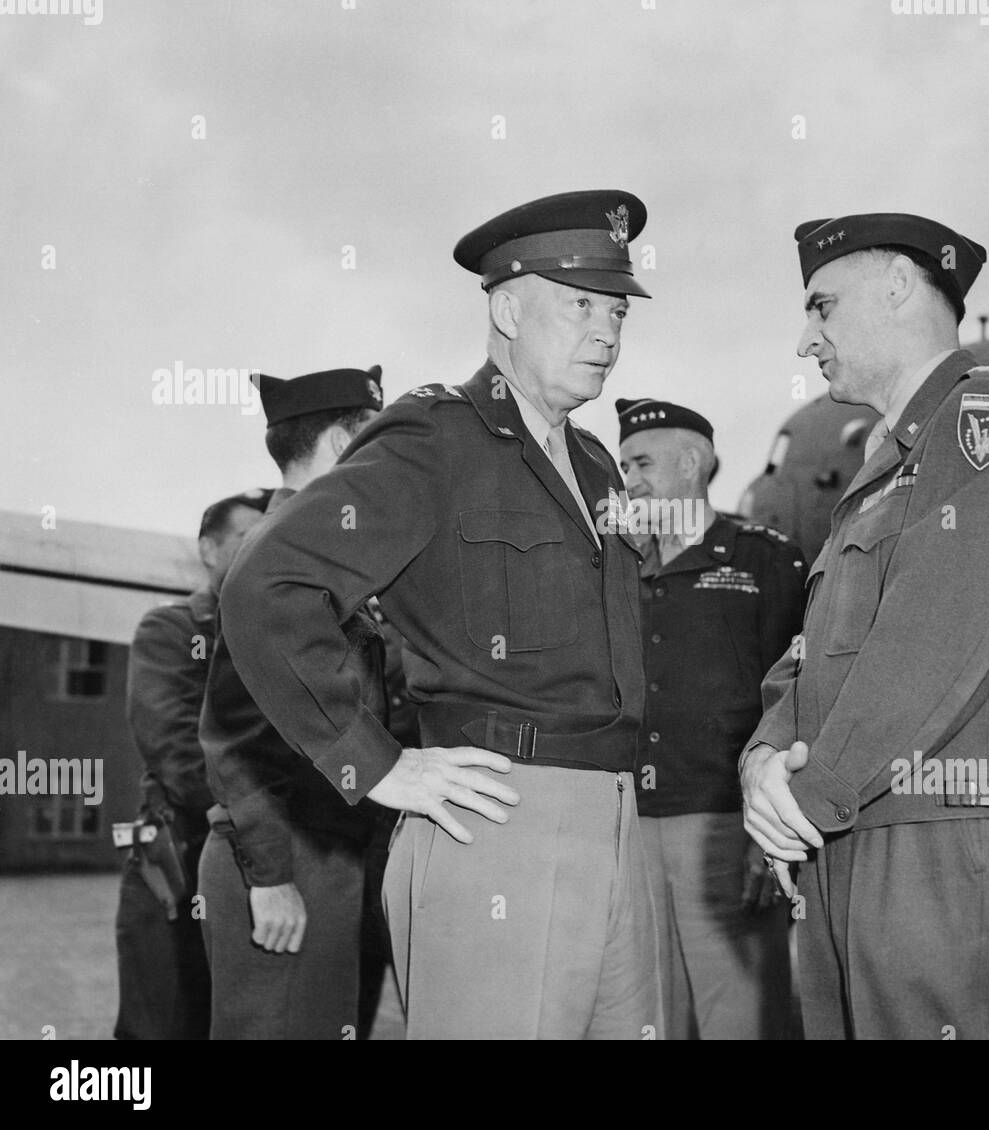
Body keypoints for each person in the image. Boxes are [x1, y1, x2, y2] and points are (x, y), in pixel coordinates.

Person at [217, 190, 661, 1039]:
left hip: (614, 816)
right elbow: (267, 587)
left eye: (616, 311)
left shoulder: (599, 468)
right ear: (505, 307)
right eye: (578, 305)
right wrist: (376, 767)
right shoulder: (434, 439)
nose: (605, 332)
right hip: (496, 820)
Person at [740, 212, 989, 1039]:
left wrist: (803, 801)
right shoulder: (887, 465)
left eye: (821, 306)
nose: (804, 340)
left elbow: (937, 641)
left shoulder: (985, 421)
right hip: (851, 832)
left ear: (897, 286)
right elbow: (813, 653)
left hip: (947, 852)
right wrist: (761, 762)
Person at [198, 366, 385, 1040]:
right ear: (340, 443)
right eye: (379, 439)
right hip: (284, 857)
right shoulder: (284, 554)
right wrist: (271, 875)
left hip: (327, 853)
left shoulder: (327, 549)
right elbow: (236, 732)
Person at [617, 396, 804, 1040]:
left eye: (641, 463)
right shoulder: (616, 566)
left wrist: (766, 833)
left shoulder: (766, 560)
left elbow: (798, 699)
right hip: (631, 826)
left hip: (728, 826)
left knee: (744, 1011)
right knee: (650, 1011)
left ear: (692, 463)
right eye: (623, 466)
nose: (629, 481)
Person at [113, 488, 269, 1040]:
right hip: (177, 864)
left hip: (253, 865)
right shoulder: (172, 631)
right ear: (207, 548)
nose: (263, 548)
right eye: (247, 538)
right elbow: (178, 756)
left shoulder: (277, 636)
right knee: (161, 1024)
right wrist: (265, 823)